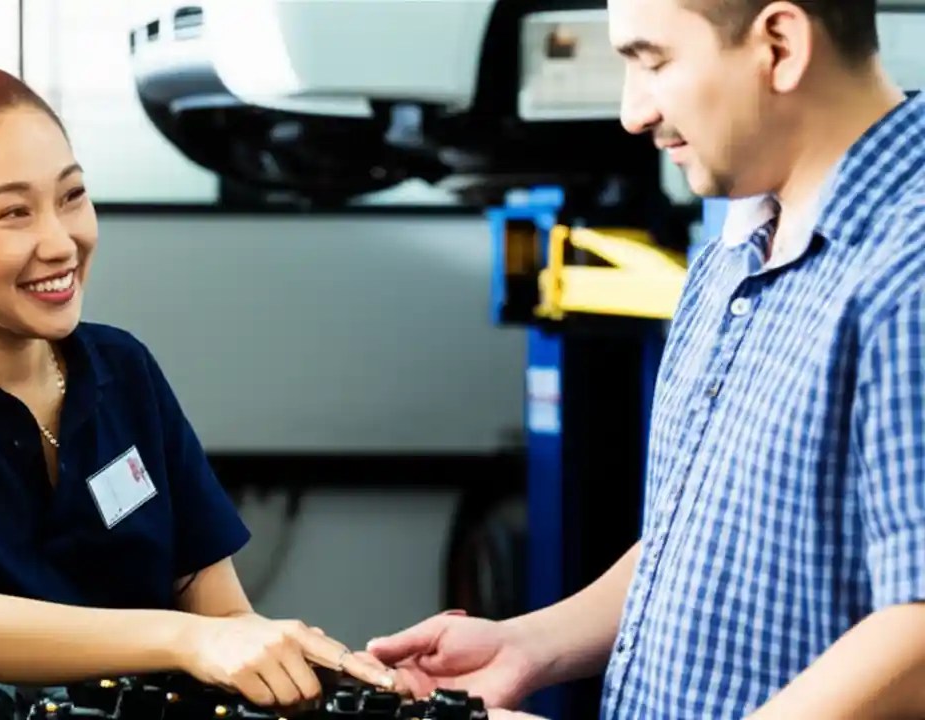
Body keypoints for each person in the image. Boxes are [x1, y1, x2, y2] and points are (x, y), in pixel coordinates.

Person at [366, 0, 925, 718]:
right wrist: (531, 644)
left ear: (780, 45)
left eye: (652, 61)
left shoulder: (907, 268)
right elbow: (704, 531)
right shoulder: (735, 249)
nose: (632, 113)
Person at [0, 59, 394, 709]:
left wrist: (320, 669)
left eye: (72, 196)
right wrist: (181, 639)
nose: (61, 242)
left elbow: (221, 617)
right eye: (14, 213)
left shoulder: (124, 368)